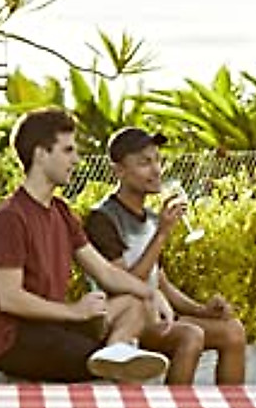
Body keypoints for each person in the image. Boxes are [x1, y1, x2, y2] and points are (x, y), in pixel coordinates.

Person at [0, 108, 168, 383]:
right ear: (41, 155)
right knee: (102, 362)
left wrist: (150, 293)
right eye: (67, 150)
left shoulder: (61, 212)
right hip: (13, 338)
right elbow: (10, 298)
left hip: (52, 327)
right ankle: (114, 364)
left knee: (132, 304)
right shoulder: (10, 218)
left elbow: (105, 272)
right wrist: (74, 312)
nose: (76, 160)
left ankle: (115, 355)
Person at [83, 127, 246, 385]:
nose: (157, 169)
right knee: (190, 335)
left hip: (156, 317)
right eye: (144, 162)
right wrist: (162, 235)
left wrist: (203, 310)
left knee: (232, 331)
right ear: (119, 171)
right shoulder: (102, 219)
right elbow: (124, 284)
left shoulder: (151, 219)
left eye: (157, 160)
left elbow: (159, 283)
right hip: (125, 320)